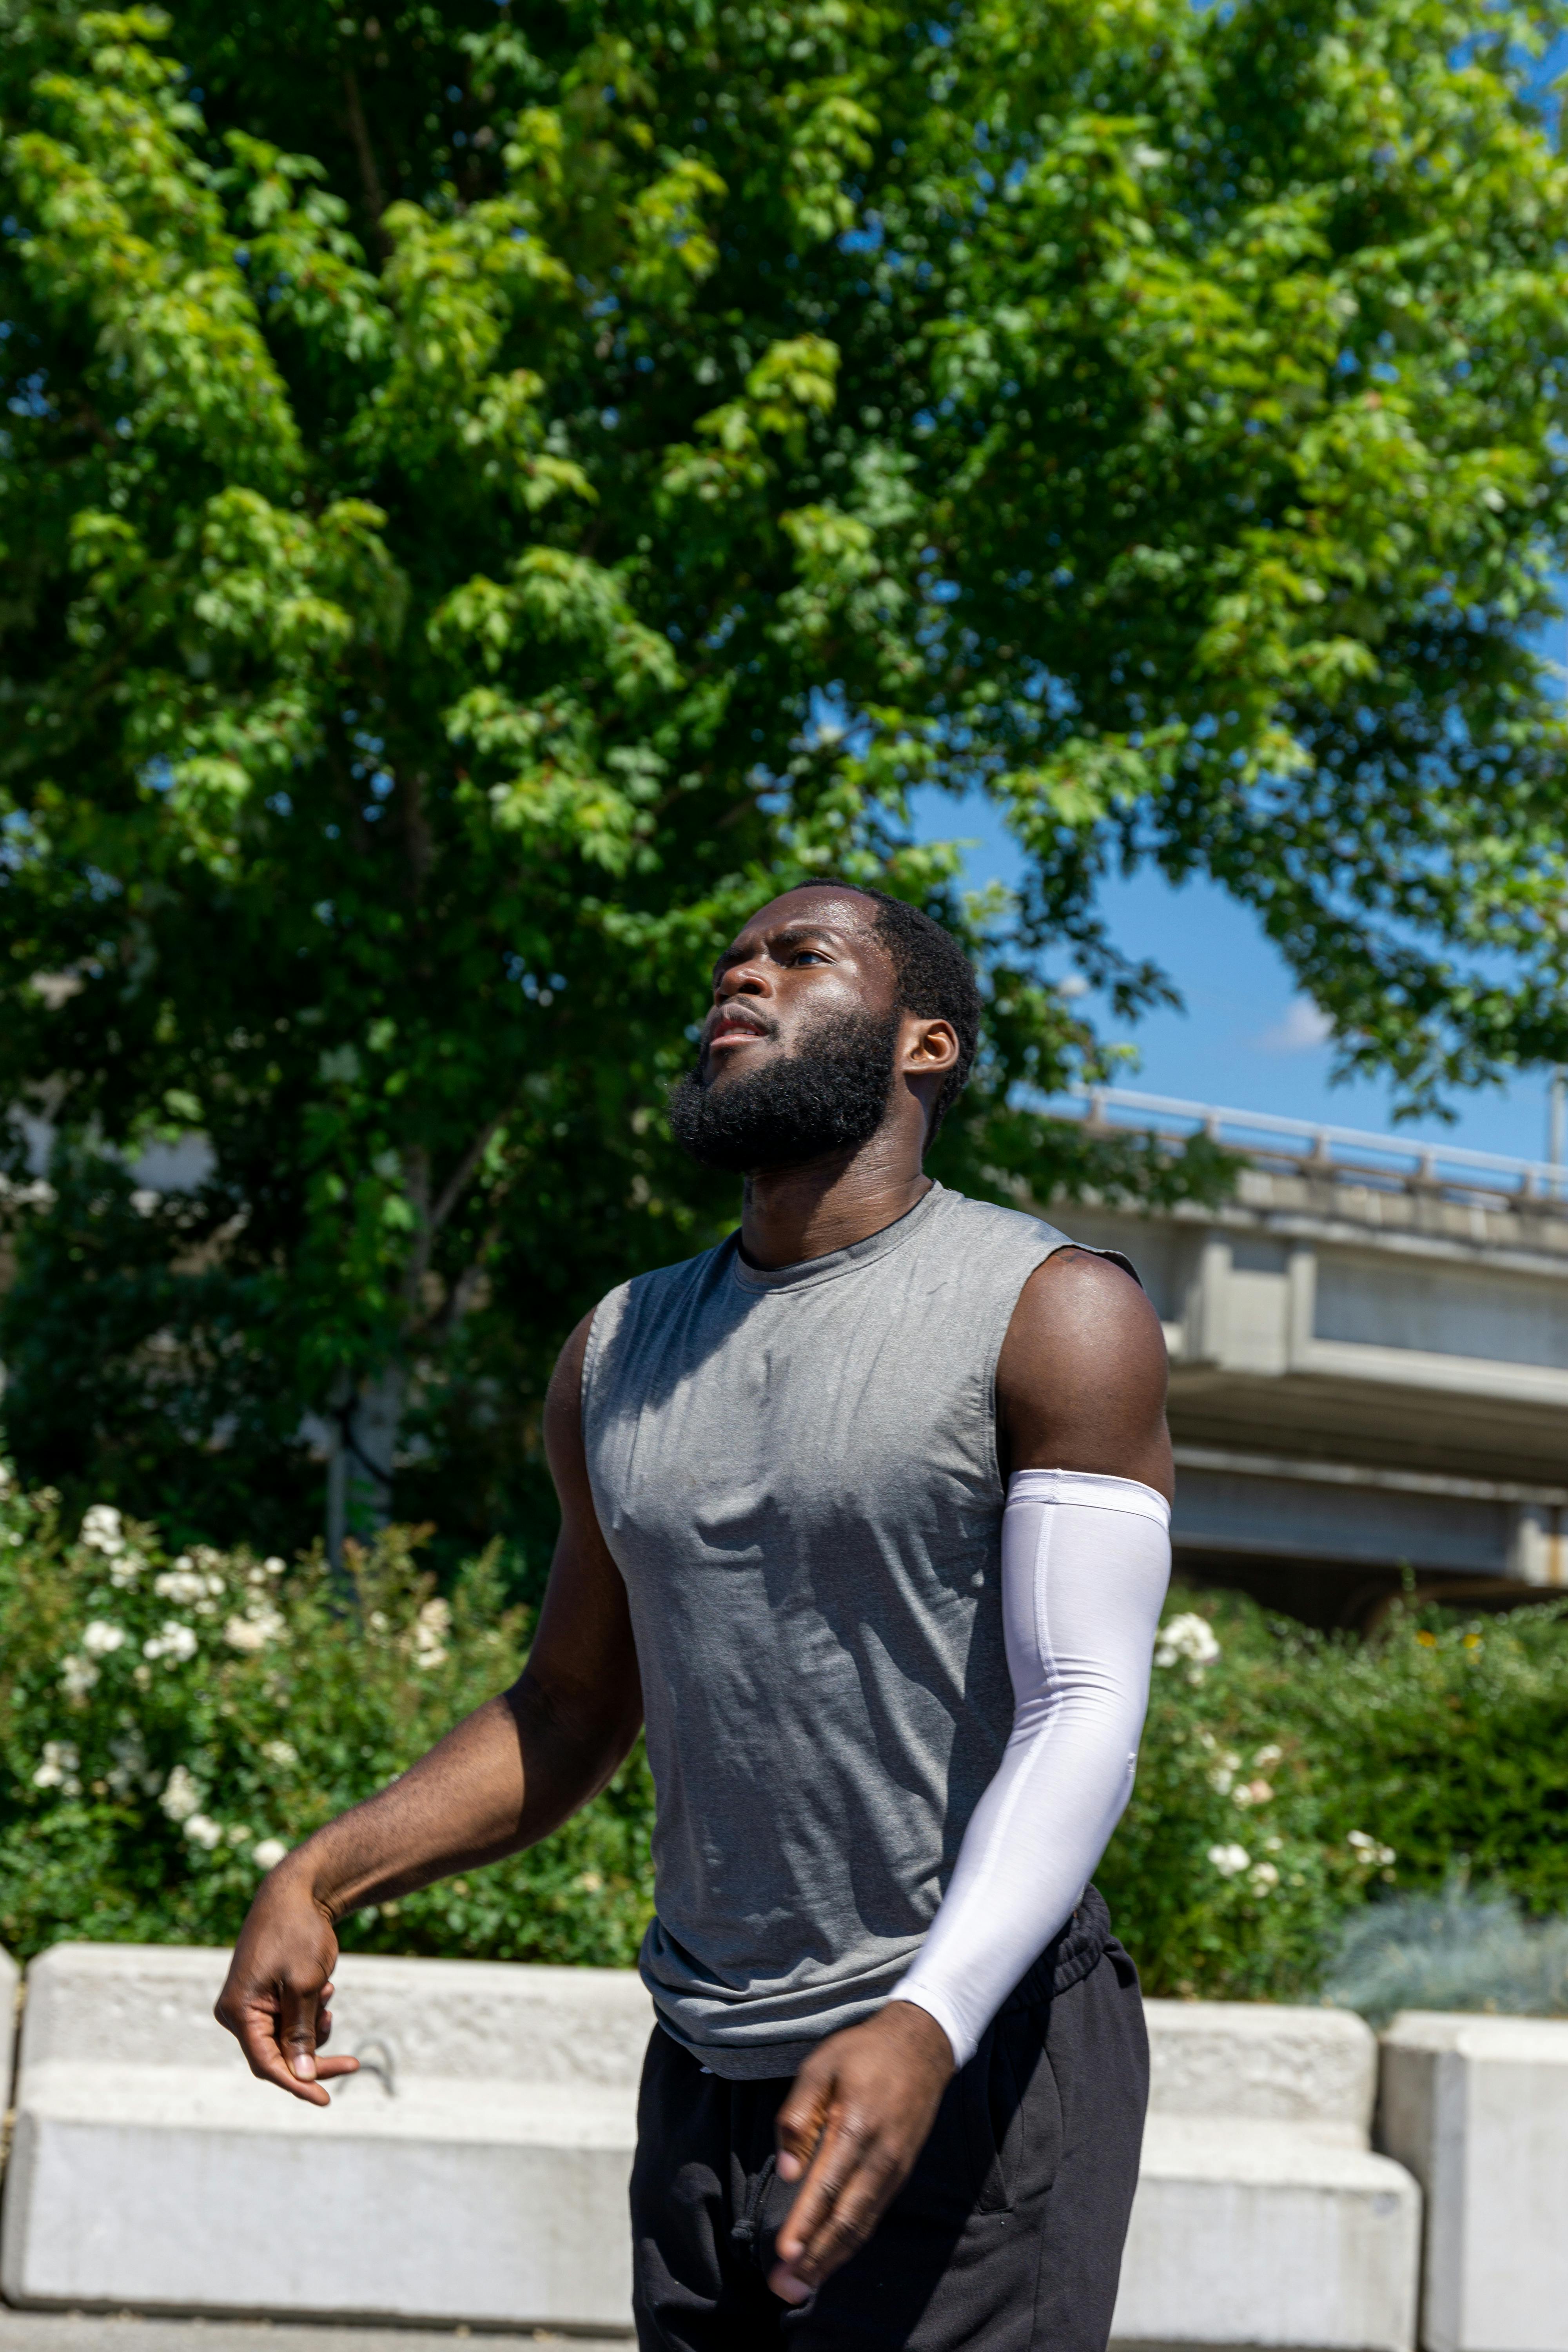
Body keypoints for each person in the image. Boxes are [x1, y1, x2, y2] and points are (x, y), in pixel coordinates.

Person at [216, 880, 1174, 2351]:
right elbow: (571, 1707)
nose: (743, 979)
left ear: (927, 1044)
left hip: (969, 2047)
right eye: (732, 961)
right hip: (708, 2064)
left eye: (803, 956)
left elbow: (1085, 1709)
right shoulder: (617, 1349)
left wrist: (932, 2019)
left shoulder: (1054, 1309)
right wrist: (320, 1877)